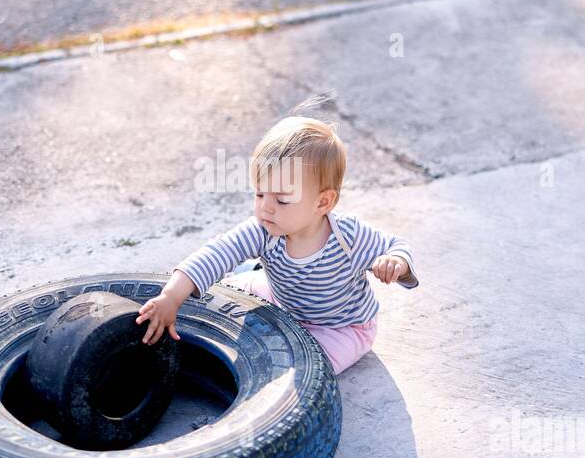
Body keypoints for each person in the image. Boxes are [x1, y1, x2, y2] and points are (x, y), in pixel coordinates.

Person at [135, 108, 419, 375]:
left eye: (281, 199)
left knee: (307, 367)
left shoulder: (348, 237)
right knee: (219, 293)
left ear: (323, 202)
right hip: (278, 298)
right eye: (260, 194)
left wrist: (397, 263)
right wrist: (171, 297)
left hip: (342, 327)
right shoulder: (265, 229)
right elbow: (217, 252)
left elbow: (397, 247)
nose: (266, 208)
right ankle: (249, 278)